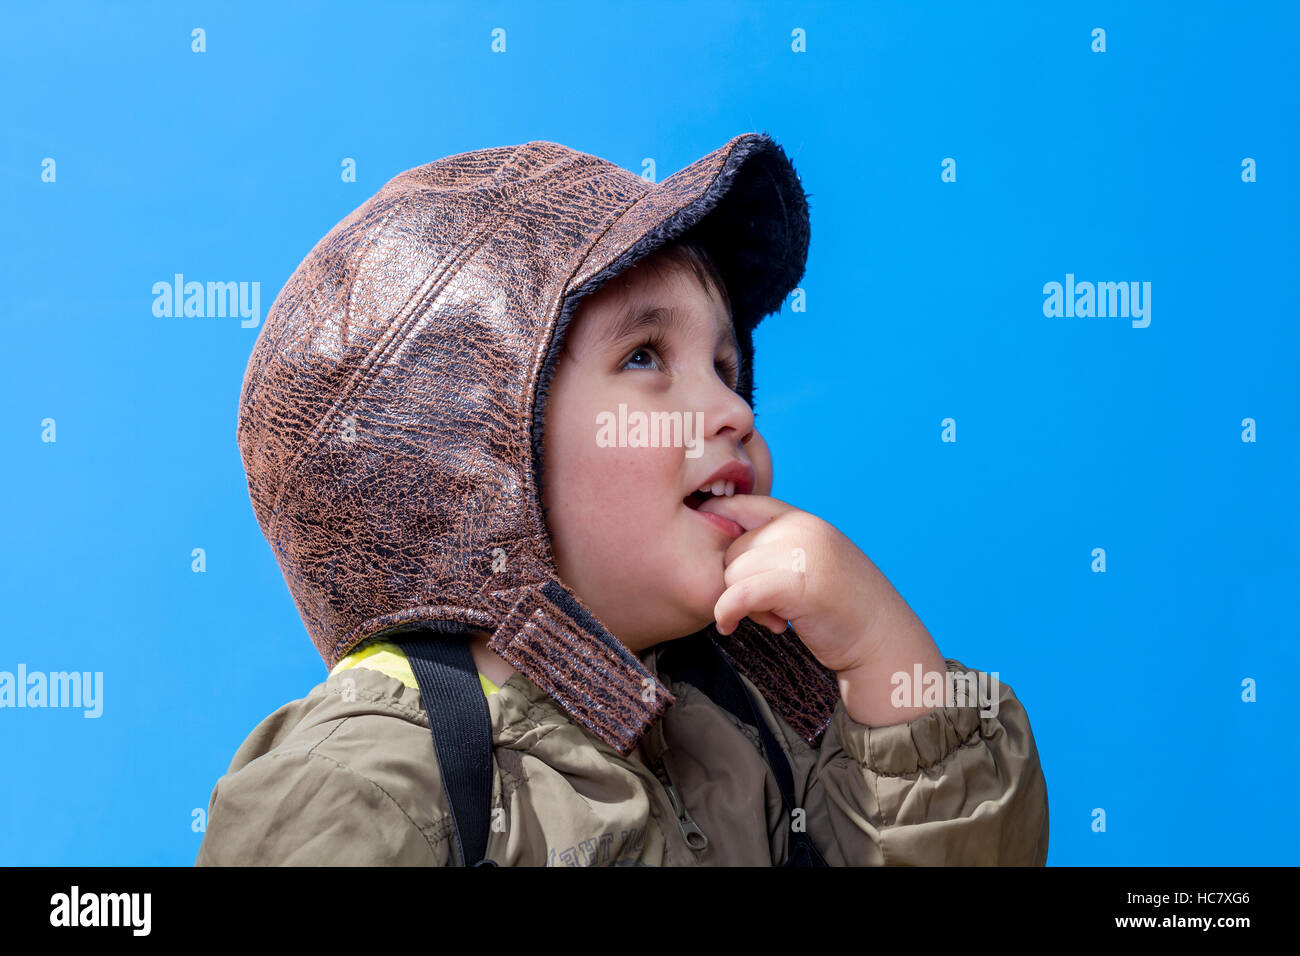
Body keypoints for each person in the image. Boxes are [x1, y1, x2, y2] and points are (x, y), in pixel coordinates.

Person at [196, 133, 1049, 866]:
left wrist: (881, 654)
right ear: (469, 447)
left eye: (725, 366)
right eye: (646, 356)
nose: (735, 410)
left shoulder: (754, 725)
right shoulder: (360, 781)